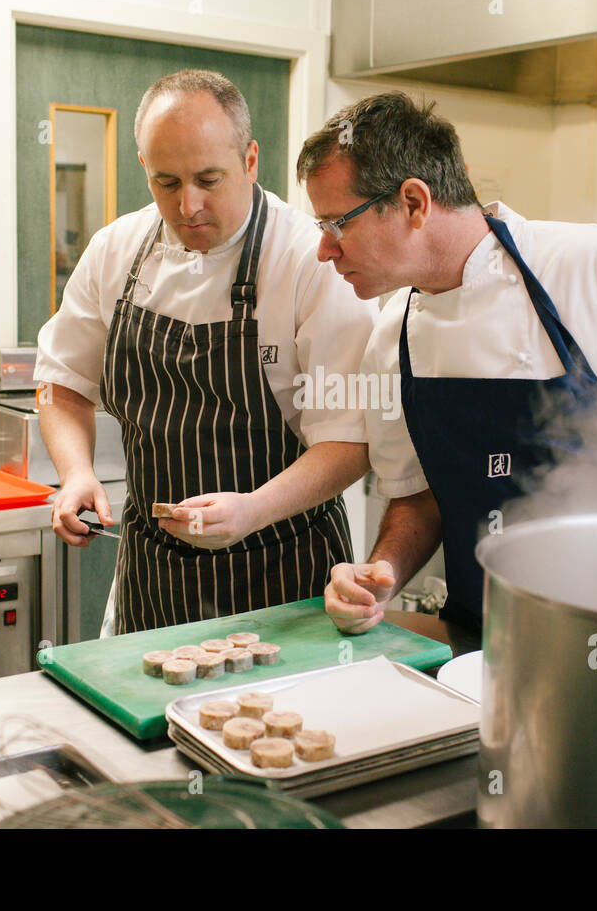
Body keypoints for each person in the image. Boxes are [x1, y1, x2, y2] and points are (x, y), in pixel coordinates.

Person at [298, 92, 597, 638]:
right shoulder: (394, 332)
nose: (324, 250)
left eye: (338, 223)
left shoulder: (593, 267)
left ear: (413, 202)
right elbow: (419, 497)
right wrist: (383, 570)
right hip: (482, 643)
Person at [35, 70, 378, 633]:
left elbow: (350, 440)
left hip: (285, 575)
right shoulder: (116, 251)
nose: (188, 204)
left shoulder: (309, 261)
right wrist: (75, 473)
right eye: (166, 182)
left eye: (208, 179)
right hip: (155, 573)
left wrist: (252, 511)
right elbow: (63, 382)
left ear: (249, 160)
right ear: (144, 166)